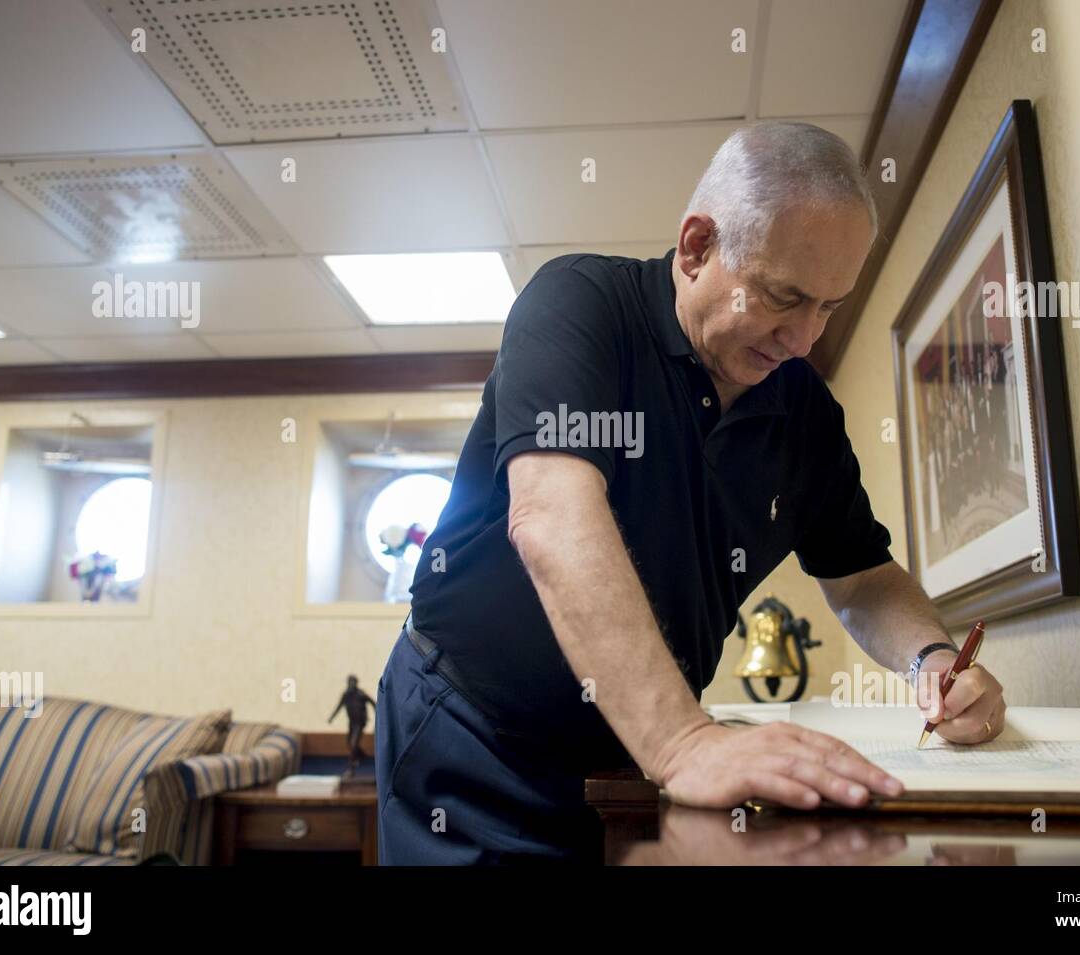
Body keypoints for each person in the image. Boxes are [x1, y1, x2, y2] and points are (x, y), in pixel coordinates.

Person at [374, 122, 1007, 865]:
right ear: (697, 246)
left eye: (829, 308)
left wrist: (930, 660)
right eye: (782, 296)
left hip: (632, 753)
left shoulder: (799, 405)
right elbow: (550, 514)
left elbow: (862, 576)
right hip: (476, 734)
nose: (803, 338)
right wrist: (683, 741)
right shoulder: (581, 306)